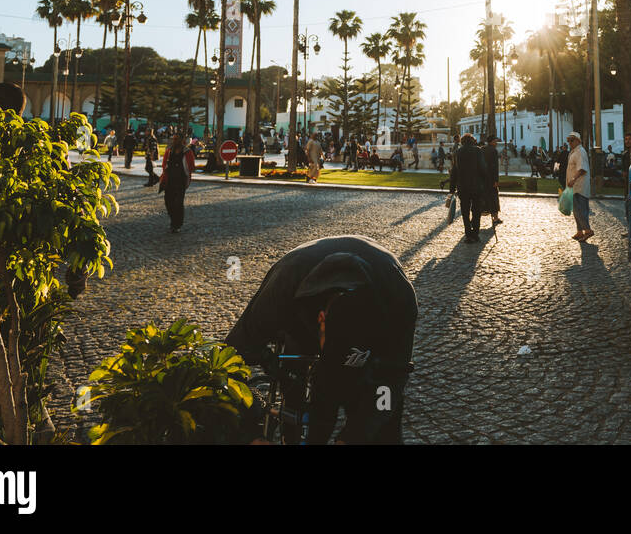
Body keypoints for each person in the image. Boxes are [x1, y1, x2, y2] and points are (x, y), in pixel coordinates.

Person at [225, 235, 417, 444]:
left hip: (382, 281)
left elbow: (392, 381)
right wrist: (250, 435)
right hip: (298, 298)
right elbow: (227, 359)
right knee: (295, 385)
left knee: (378, 422)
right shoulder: (282, 290)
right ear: (321, 319)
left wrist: (355, 435)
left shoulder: (399, 300)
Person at [448, 132, 489, 243]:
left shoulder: (458, 152)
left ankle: (468, 233)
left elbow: (454, 171)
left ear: (462, 141)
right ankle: (475, 233)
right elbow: (483, 168)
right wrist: (486, 180)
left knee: (465, 211)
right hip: (477, 186)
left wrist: (451, 189)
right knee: (476, 210)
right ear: (473, 141)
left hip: (463, 186)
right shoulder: (478, 151)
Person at [160, 131, 196, 233]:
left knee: (178, 203)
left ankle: (177, 224)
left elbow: (191, 166)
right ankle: (173, 220)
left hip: (181, 181)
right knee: (168, 202)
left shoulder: (187, 152)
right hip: (169, 180)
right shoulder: (169, 151)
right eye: (173, 139)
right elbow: (164, 164)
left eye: (176, 139)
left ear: (182, 140)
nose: (174, 141)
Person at [565, 131, 593, 242]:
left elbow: (582, 168)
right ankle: (580, 231)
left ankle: (587, 230)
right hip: (574, 187)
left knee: (581, 210)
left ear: (578, 140)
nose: (569, 143)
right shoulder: (573, 152)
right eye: (568, 141)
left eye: (572, 140)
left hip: (580, 186)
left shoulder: (580, 151)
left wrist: (573, 179)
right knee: (576, 210)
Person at [481, 134, 502, 226]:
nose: (496, 142)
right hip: (491, 178)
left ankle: (481, 212)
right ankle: (495, 217)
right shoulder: (493, 151)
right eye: (495, 141)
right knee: (494, 198)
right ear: (492, 142)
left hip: (483, 178)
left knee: (484, 197)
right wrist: (496, 180)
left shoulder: (482, 149)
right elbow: (495, 167)